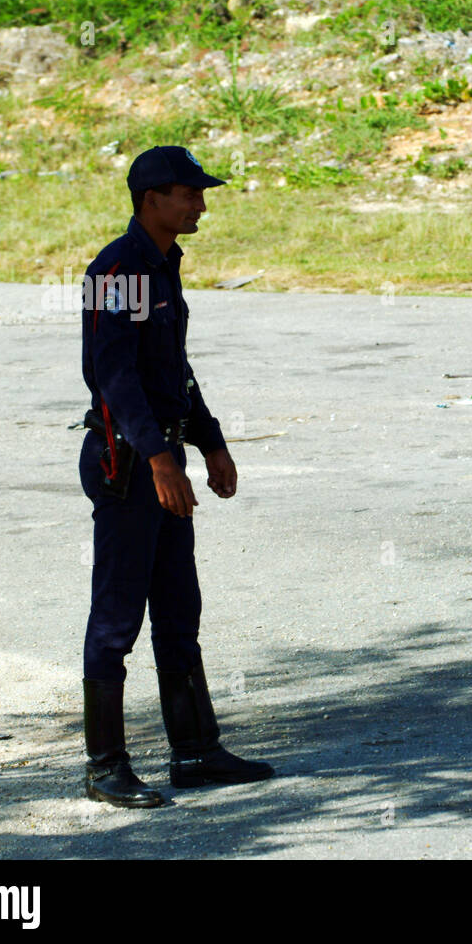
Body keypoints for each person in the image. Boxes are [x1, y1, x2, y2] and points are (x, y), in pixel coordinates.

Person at [78, 145, 272, 807]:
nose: (201, 204)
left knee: (179, 609)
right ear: (152, 199)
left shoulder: (163, 266)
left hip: (162, 459)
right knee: (117, 616)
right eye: (189, 193)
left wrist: (210, 441)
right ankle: (105, 768)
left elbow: (172, 371)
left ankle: (194, 752)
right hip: (127, 463)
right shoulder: (120, 269)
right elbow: (116, 376)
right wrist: (160, 457)